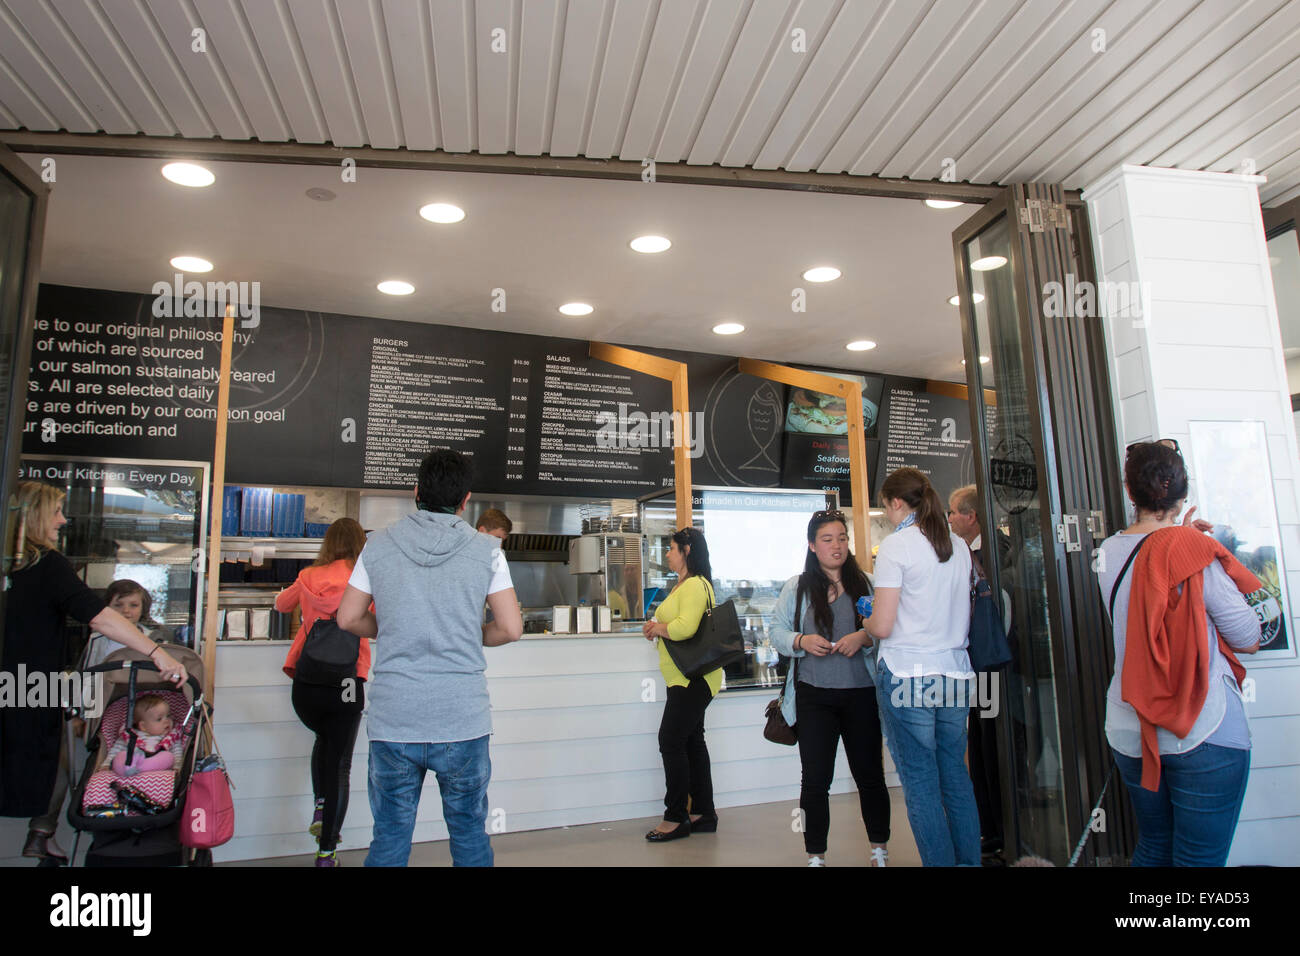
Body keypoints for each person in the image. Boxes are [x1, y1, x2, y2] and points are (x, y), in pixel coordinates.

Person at [336, 450, 522, 867]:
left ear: (415, 492)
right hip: (461, 717)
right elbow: (510, 627)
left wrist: (399, 627)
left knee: (389, 837)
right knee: (469, 835)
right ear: (465, 500)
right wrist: (467, 635)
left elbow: (348, 617)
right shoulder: (488, 549)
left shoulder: (377, 545)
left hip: (394, 719)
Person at [2, 481, 187, 863]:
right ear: (34, 517)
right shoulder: (47, 565)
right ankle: (42, 831)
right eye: (55, 511)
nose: (63, 520)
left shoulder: (12, 566)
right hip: (29, 686)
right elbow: (102, 618)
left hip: (18, 684)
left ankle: (41, 832)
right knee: (38, 764)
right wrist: (159, 655)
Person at [1097, 440, 1260, 866]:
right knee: (1198, 860)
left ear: (1130, 493)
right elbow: (1248, 636)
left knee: (1153, 848)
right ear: (1183, 495)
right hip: (1202, 725)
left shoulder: (1105, 554)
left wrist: (1185, 539)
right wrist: (1199, 545)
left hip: (1130, 723)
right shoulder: (1194, 550)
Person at [865, 467, 980, 866]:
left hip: (907, 675)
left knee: (921, 784)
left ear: (897, 503)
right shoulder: (959, 545)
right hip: (956, 673)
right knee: (955, 778)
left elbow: (882, 625)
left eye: (886, 508)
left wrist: (865, 619)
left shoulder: (898, 547)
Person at [771, 509, 890, 867]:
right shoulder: (797, 586)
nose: (836, 546)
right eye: (827, 539)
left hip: (861, 693)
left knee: (870, 775)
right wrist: (802, 640)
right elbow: (775, 633)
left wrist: (865, 636)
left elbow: (889, 630)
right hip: (813, 695)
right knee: (815, 780)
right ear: (812, 545)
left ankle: (879, 849)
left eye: (842, 538)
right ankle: (815, 855)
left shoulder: (868, 584)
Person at [277, 517, 371, 868]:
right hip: (346, 683)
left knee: (323, 738)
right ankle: (327, 853)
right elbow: (383, 620)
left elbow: (281, 606)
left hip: (307, 682)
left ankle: (320, 804)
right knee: (340, 764)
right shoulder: (364, 580)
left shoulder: (307, 577)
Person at [641, 527, 720, 842]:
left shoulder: (694, 586)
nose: (668, 554)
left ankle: (676, 817)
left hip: (693, 679)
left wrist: (657, 627)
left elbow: (685, 628)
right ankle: (703, 812)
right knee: (691, 741)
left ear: (687, 550)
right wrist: (657, 628)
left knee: (670, 740)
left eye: (672, 548)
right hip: (685, 678)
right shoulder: (684, 585)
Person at [948, 484, 1007, 857]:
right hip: (976, 667)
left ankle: (1000, 829)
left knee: (993, 745)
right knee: (980, 744)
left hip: (992, 668)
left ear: (970, 517)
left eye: (953, 512)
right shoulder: (965, 554)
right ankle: (989, 830)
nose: (949, 518)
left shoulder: (995, 554)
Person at [84, 579, 174, 668]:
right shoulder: (96, 639)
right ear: (107, 608)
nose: (126, 611)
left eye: (134, 605)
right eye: (118, 605)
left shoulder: (157, 639)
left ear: (143, 608)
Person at [106, 694, 184, 777]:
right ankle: (132, 766)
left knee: (168, 757)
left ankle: (141, 768)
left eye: (168, 716)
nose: (167, 721)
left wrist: (177, 766)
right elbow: (115, 750)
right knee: (120, 756)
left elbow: (177, 753)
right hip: (132, 762)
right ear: (143, 726)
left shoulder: (170, 737)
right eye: (159, 719)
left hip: (157, 766)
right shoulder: (130, 736)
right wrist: (107, 764)